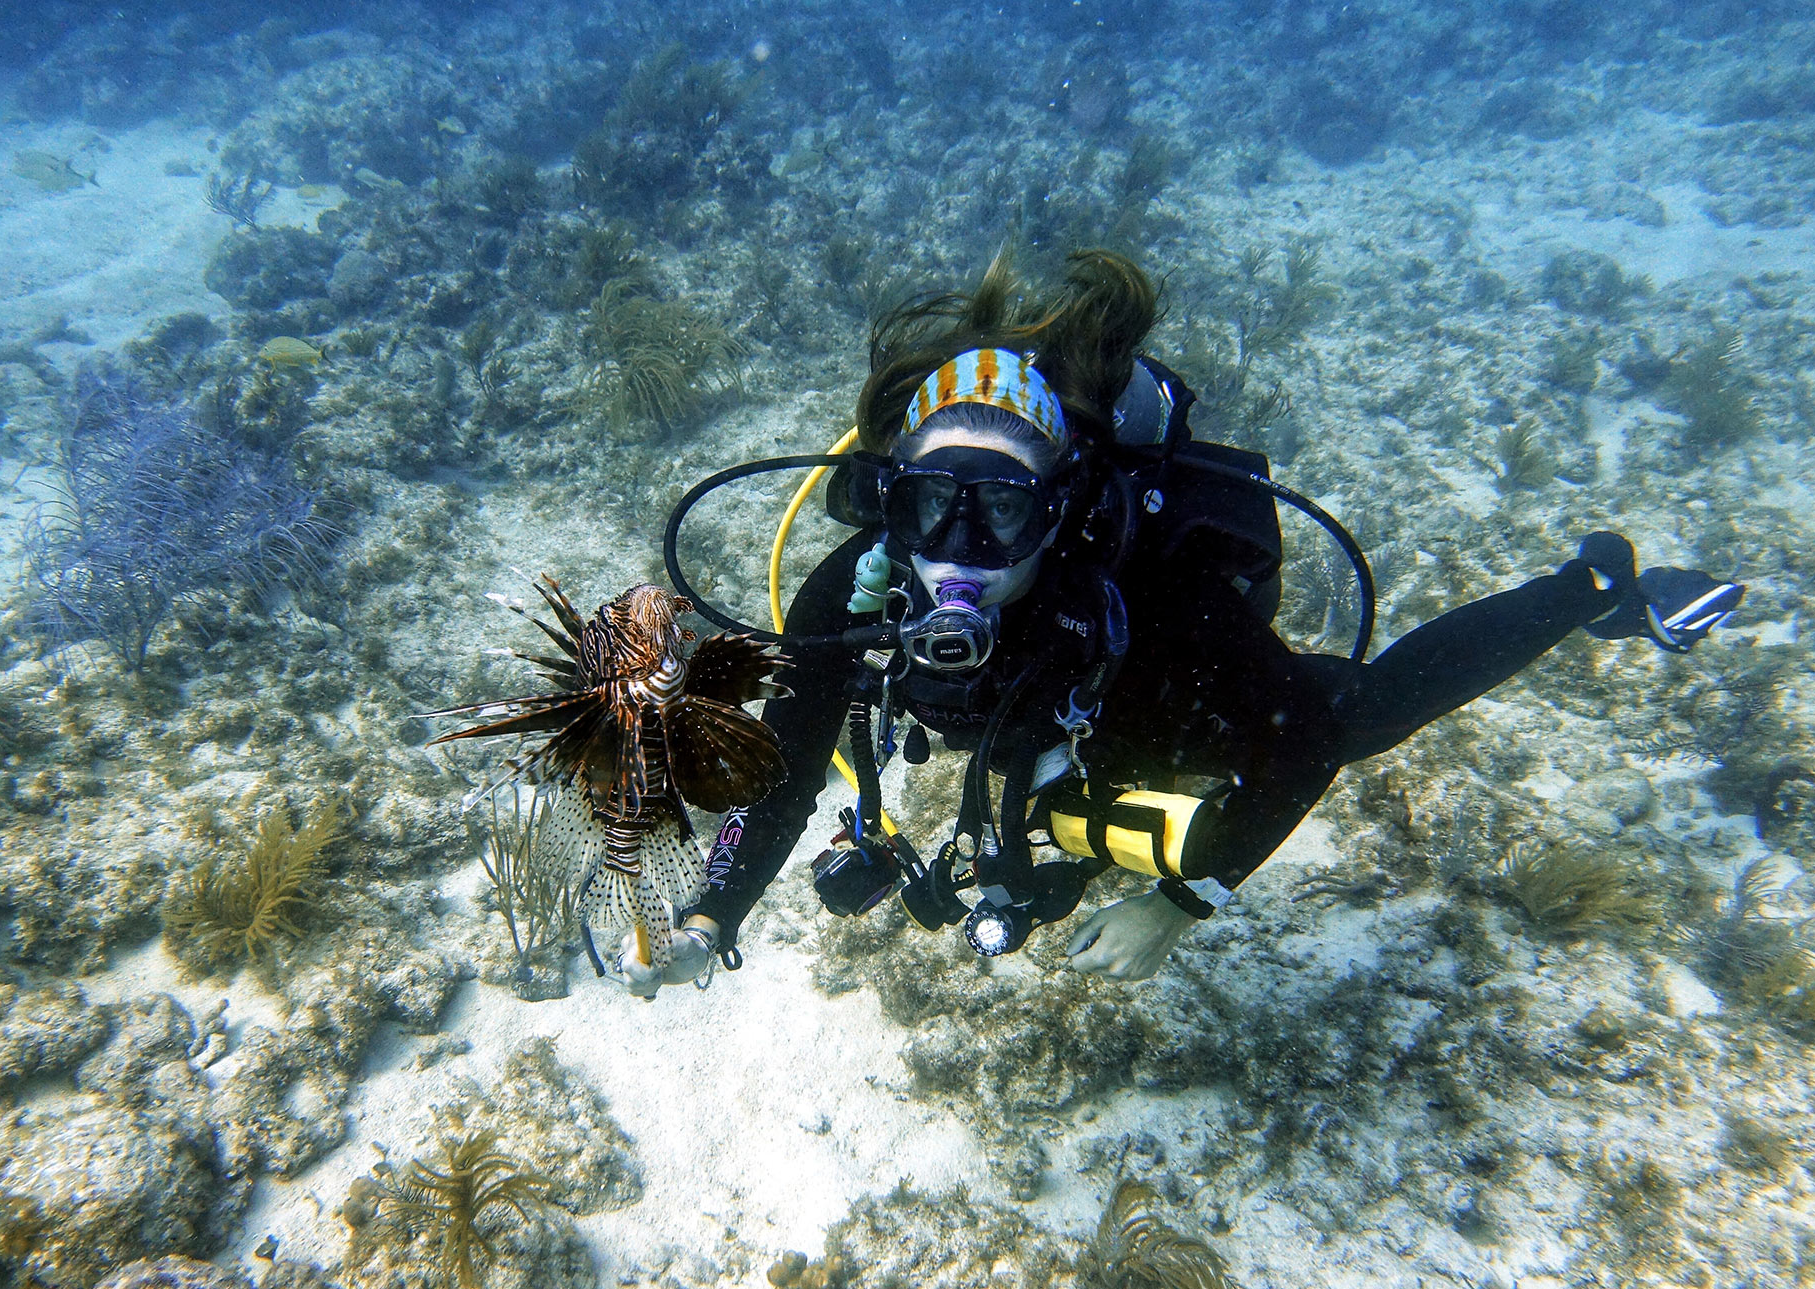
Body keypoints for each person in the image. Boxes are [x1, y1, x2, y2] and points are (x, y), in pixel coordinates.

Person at [619, 250, 1745, 996]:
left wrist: (1179, 902)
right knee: (1046, 819)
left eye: (999, 505)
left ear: (1056, 506)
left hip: (1128, 687)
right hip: (1029, 722)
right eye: (926, 501)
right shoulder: (855, 593)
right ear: (884, 498)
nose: (956, 545)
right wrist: (709, 918)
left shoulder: (1147, 600)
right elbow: (790, 764)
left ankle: (1592, 587)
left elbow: (1297, 742)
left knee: (1348, 716)